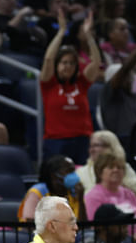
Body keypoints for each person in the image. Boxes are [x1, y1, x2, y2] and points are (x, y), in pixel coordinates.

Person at [40, 10, 101, 162]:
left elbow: (96, 63)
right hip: (57, 142)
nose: (68, 66)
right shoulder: (49, 84)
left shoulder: (81, 83)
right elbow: (48, 58)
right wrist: (61, 32)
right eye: (64, 62)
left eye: (72, 63)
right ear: (57, 65)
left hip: (83, 140)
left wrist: (88, 37)